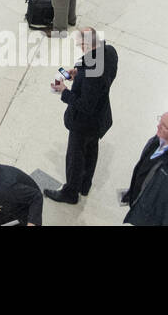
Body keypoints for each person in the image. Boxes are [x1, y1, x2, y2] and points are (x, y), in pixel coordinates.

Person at [45, 27, 118, 204]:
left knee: (75, 157)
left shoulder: (91, 73)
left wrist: (64, 91)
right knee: (91, 149)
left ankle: (70, 193)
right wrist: (78, 73)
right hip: (100, 118)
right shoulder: (109, 52)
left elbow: (85, 105)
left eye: (79, 45)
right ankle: (85, 184)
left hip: (84, 123)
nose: (79, 49)